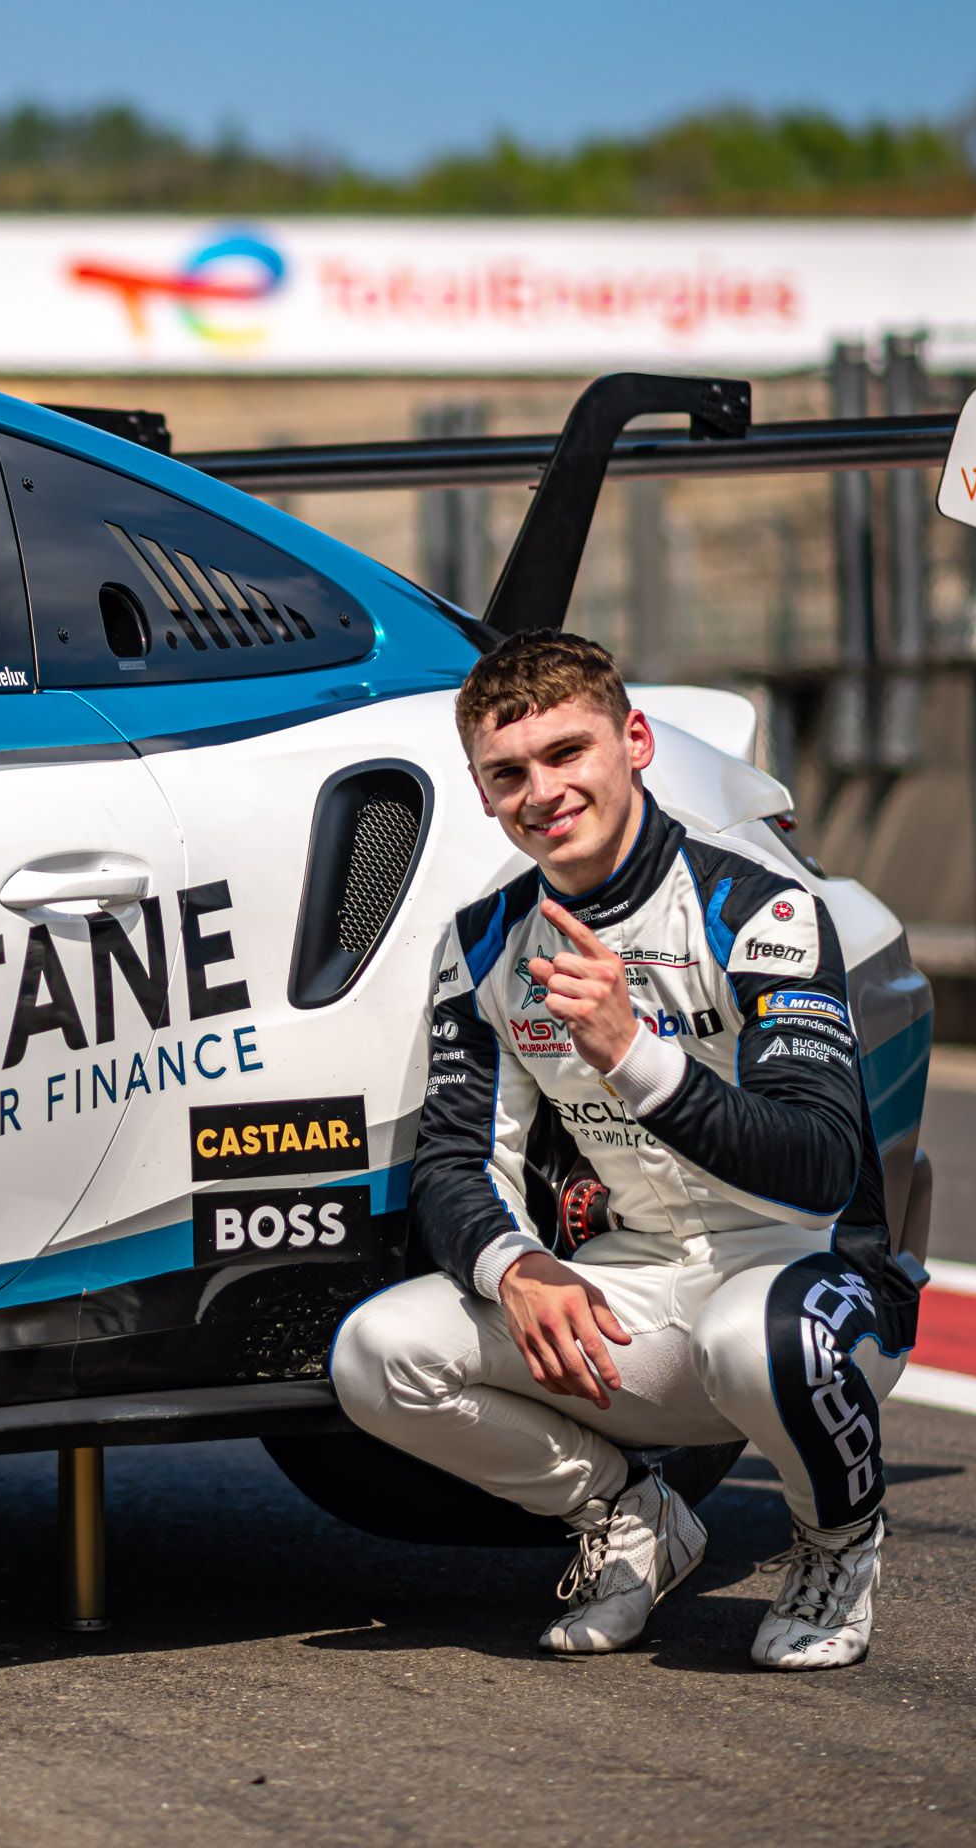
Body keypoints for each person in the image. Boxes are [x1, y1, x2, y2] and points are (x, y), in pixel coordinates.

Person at [331, 629, 915, 1669]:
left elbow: (824, 1166)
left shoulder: (761, 907)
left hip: (808, 1279)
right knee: (377, 1355)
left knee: (754, 1338)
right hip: (640, 1288)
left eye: (568, 753)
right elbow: (456, 1162)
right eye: (509, 772)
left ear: (635, 742)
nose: (543, 792)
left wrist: (633, 1053)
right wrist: (516, 1269)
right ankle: (631, 1517)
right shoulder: (485, 941)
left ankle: (839, 1541)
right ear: (483, 792)